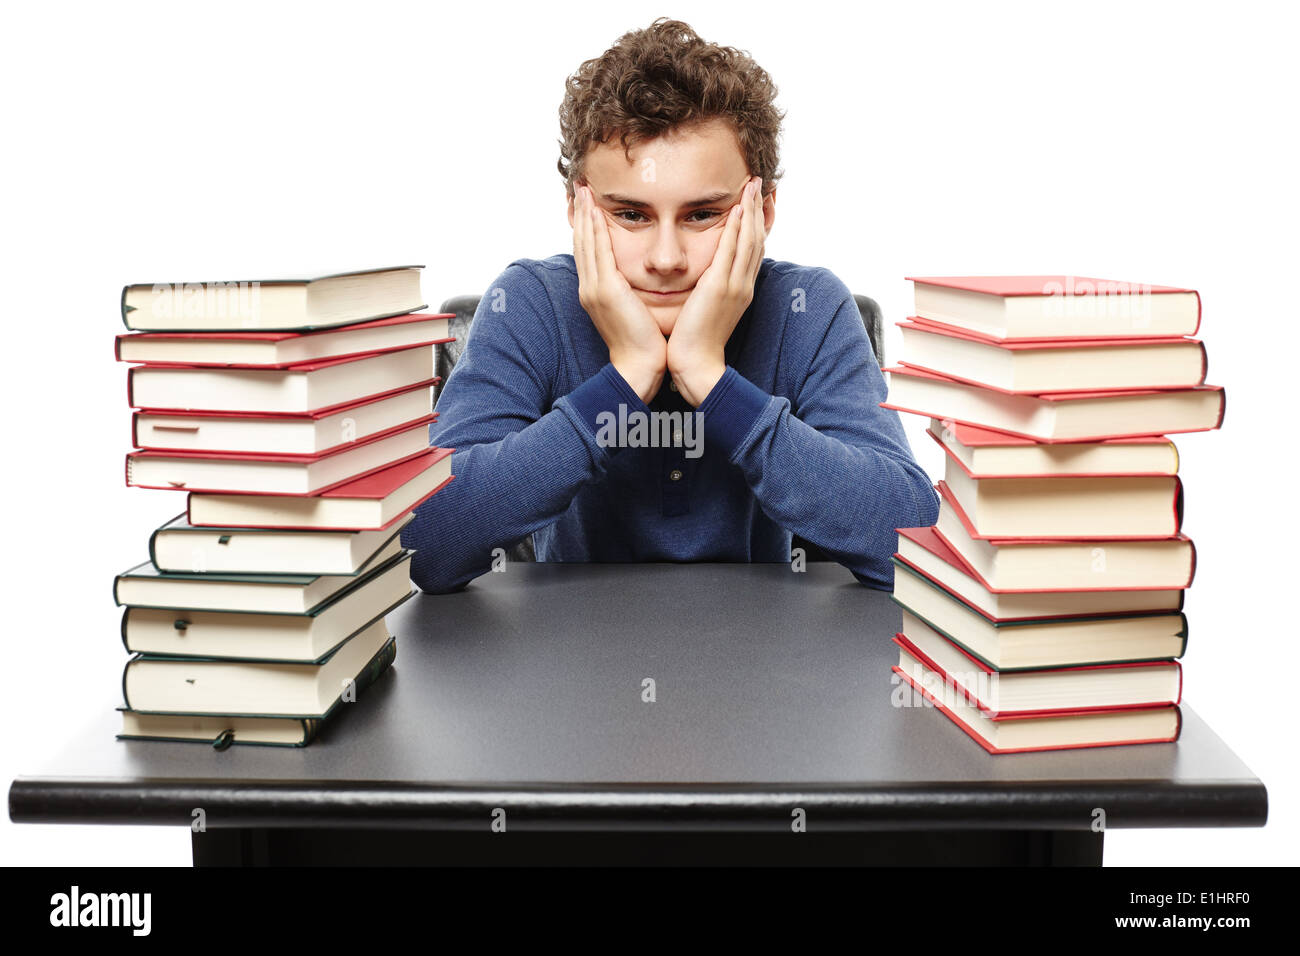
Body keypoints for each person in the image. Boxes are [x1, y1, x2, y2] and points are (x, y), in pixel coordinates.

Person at [402, 17, 937, 593]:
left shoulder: (809, 309)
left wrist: (708, 376)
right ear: (576, 213)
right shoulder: (531, 304)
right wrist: (626, 378)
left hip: (767, 642)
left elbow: (910, 540)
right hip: (568, 643)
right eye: (631, 215)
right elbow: (426, 544)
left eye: (702, 215)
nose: (665, 258)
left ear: (763, 213)